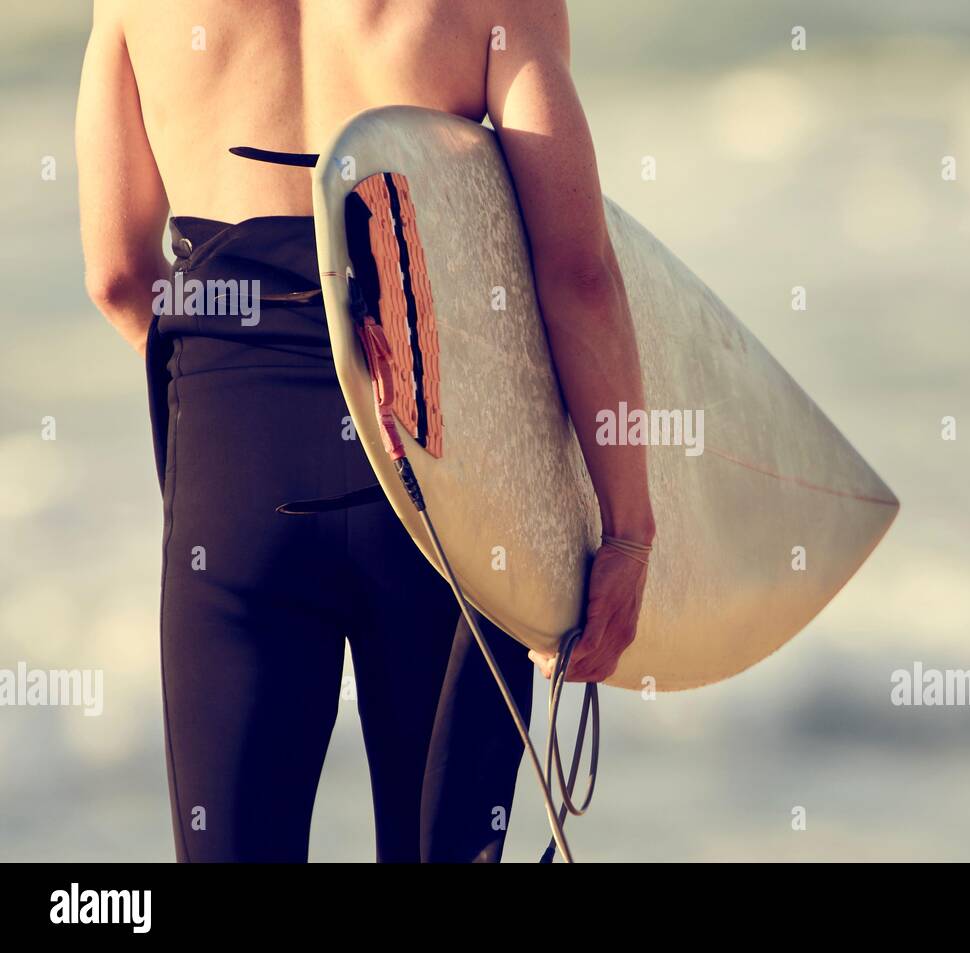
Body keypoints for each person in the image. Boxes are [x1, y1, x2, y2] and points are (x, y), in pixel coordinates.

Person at [76, 0, 655, 863]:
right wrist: (628, 529)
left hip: (236, 481)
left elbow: (119, 274)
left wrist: (235, 390)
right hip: (440, 478)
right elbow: (576, 271)